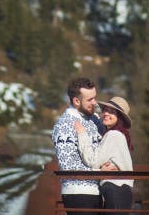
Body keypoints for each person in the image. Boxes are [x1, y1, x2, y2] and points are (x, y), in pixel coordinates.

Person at [52, 77, 107, 211]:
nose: (95, 102)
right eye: (90, 99)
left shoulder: (94, 119)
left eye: (95, 97)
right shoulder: (65, 124)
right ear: (76, 101)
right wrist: (100, 172)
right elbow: (67, 166)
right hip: (78, 193)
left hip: (99, 190)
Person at [74, 96, 134, 213]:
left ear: (120, 117)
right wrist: (102, 169)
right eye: (105, 110)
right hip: (119, 190)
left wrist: (82, 134)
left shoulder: (113, 135)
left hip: (115, 190)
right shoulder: (118, 135)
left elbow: (93, 161)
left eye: (112, 112)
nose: (106, 113)